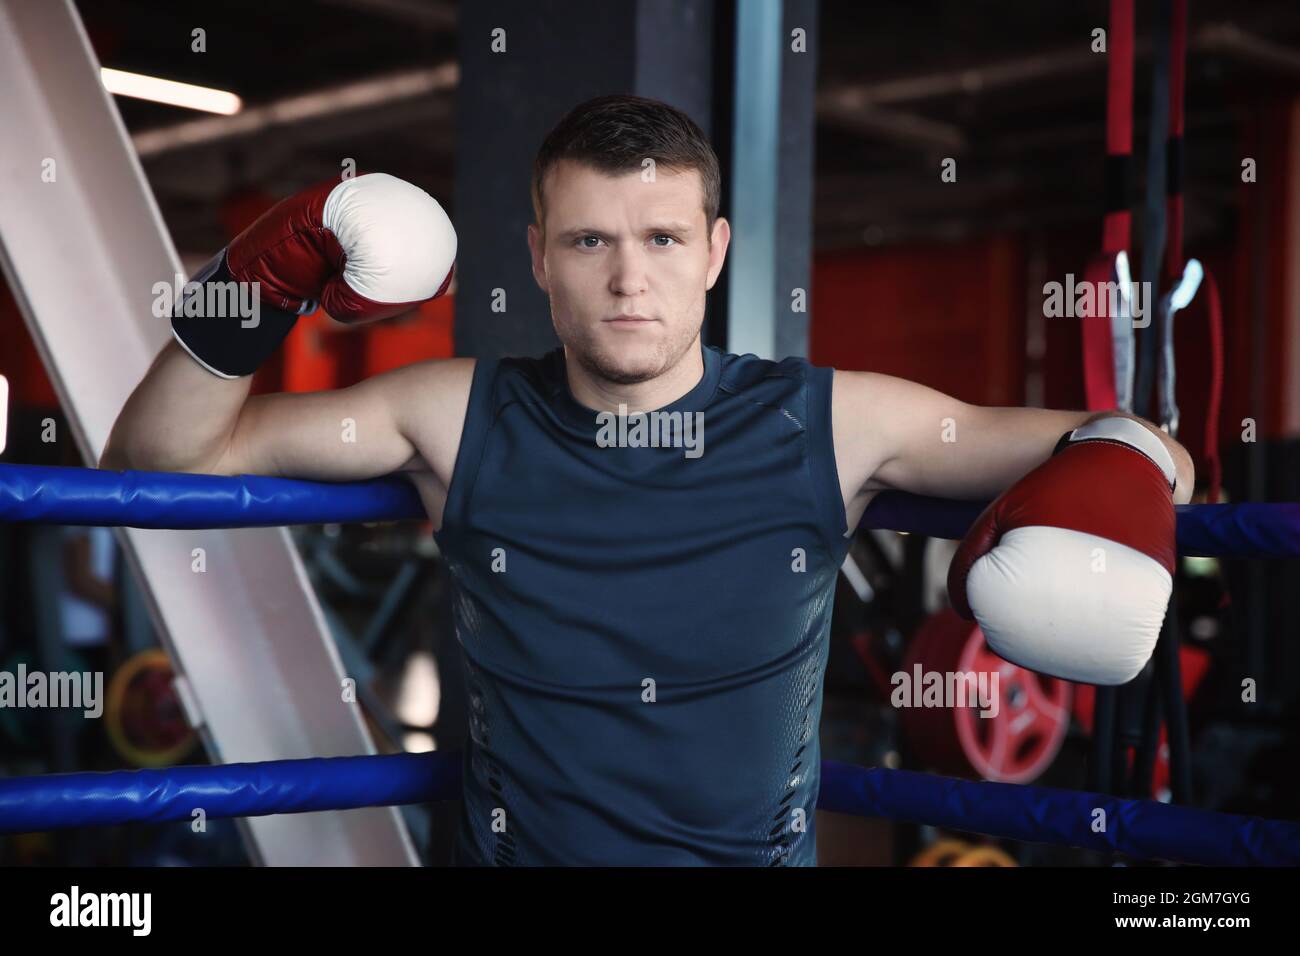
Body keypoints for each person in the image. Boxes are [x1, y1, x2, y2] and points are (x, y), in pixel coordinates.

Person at [102, 94, 1193, 866]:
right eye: (588, 239)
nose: (629, 278)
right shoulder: (454, 409)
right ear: (537, 255)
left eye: (663, 238)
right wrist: (259, 276)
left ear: (714, 251)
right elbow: (162, 456)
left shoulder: (834, 419)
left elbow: (1135, 443)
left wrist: (1128, 475)